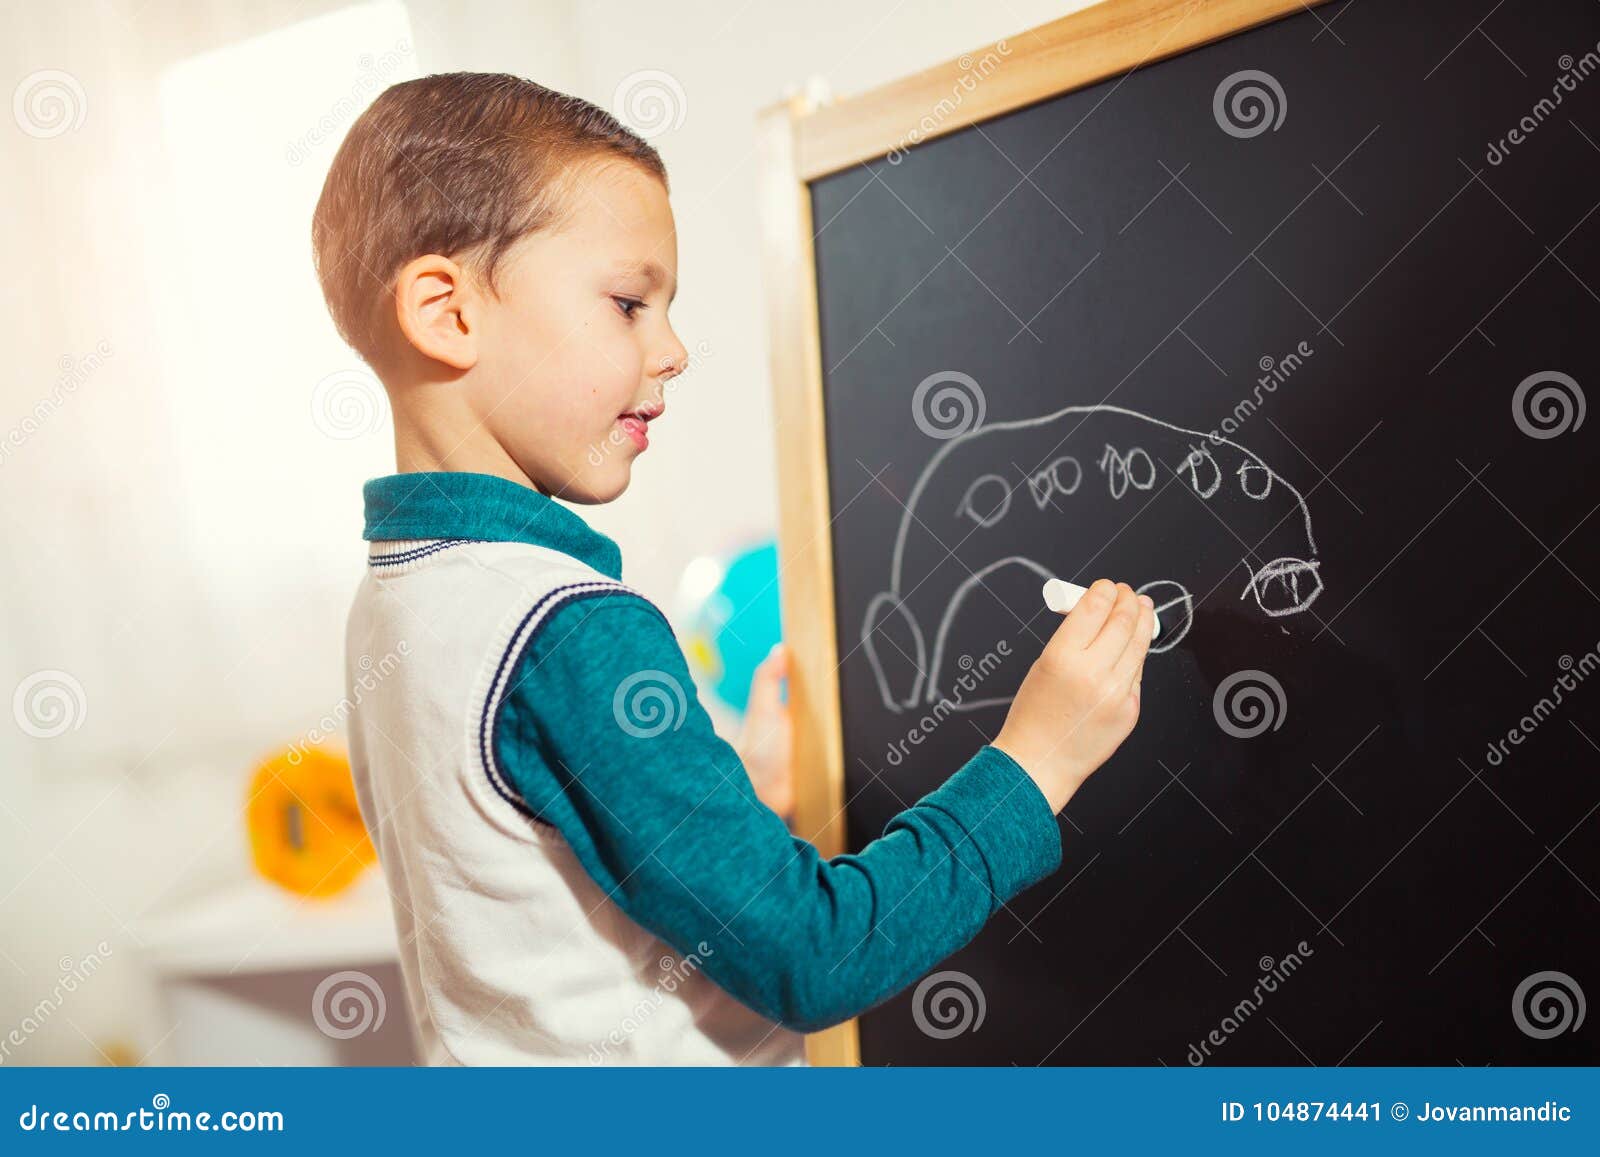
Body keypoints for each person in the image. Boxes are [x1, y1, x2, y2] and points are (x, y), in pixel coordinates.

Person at [311, 72, 1155, 1065]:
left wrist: (738, 803)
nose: (671, 349)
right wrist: (1041, 756)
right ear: (448, 312)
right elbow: (812, 953)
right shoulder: (567, 626)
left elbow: (540, 896)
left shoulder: (398, 594)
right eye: (628, 302)